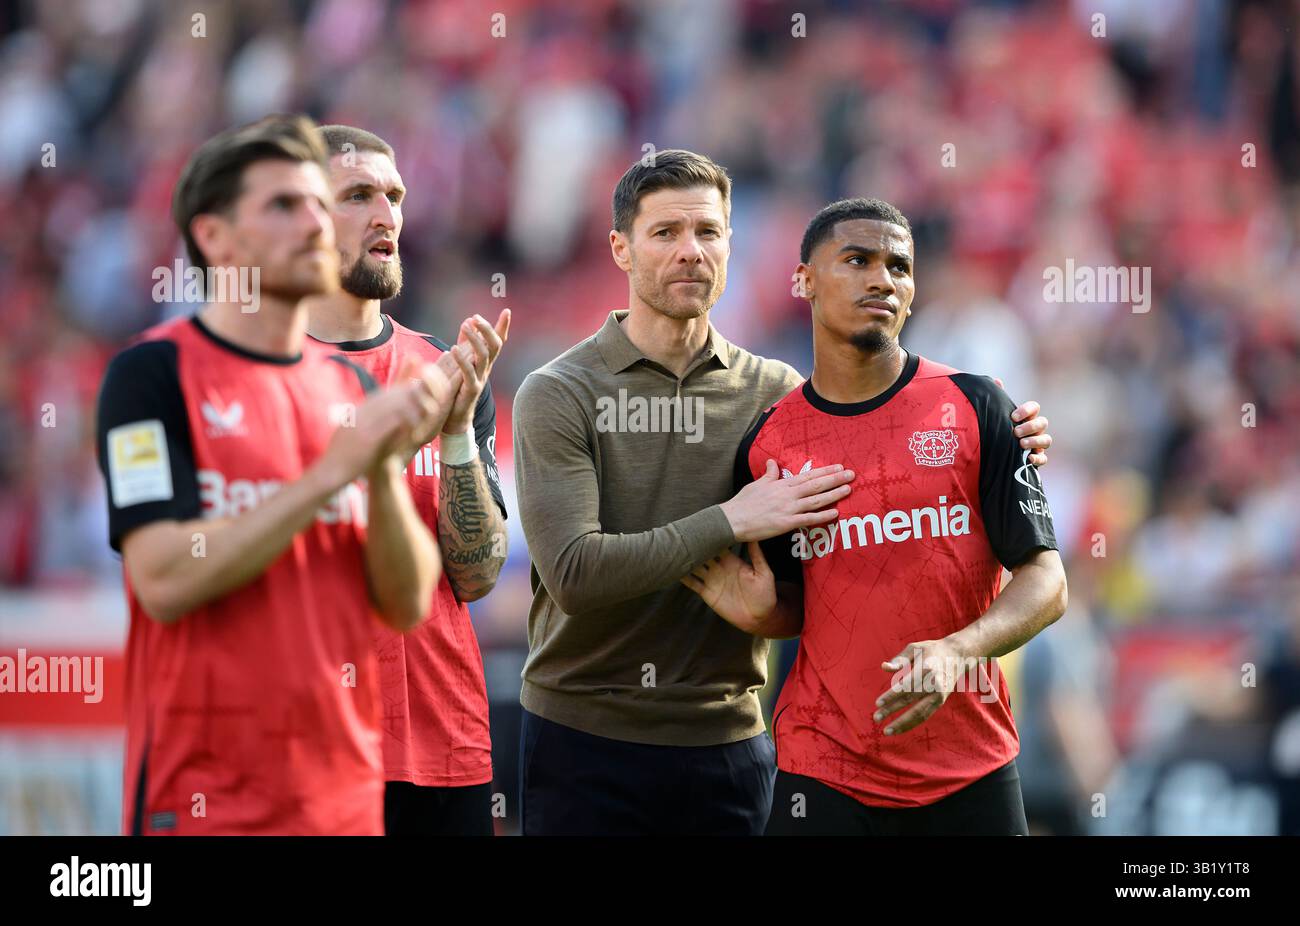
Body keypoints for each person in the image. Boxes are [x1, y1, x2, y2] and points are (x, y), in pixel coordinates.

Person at [511, 151, 1054, 835]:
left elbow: (821, 578)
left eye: (708, 232)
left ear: (731, 245)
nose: (690, 252)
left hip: (728, 740)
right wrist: (729, 520)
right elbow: (575, 576)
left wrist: (1011, 433)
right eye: (665, 233)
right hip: (583, 737)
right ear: (620, 248)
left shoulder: (780, 400)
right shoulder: (561, 392)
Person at [94, 115, 456, 835]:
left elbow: (406, 599)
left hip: (345, 803)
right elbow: (164, 581)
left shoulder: (348, 391)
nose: (316, 224)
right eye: (284, 206)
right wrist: (331, 475)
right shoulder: (151, 375)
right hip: (206, 801)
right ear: (215, 239)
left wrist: (381, 471)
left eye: (320, 205)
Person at [684, 197, 1068, 835]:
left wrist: (958, 652)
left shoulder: (978, 406)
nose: (882, 279)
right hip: (823, 770)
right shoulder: (768, 445)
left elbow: (1047, 582)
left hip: (968, 767)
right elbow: (805, 604)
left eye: (899, 267)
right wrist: (763, 614)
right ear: (803, 279)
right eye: (857, 260)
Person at [303, 124, 509, 836]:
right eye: (358, 195)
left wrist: (453, 434)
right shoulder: (249, 377)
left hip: (443, 750)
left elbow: (478, 576)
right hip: (303, 748)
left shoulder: (448, 372)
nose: (387, 214)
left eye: (394, 196)